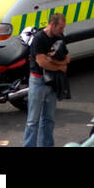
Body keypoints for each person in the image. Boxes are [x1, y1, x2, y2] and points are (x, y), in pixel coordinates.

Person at [23, 12, 69, 148]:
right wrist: (60, 66)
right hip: (38, 81)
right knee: (33, 121)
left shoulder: (60, 37)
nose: (62, 31)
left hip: (51, 82)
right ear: (52, 25)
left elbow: (67, 58)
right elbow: (42, 63)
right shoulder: (39, 39)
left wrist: (54, 61)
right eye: (60, 27)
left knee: (49, 120)